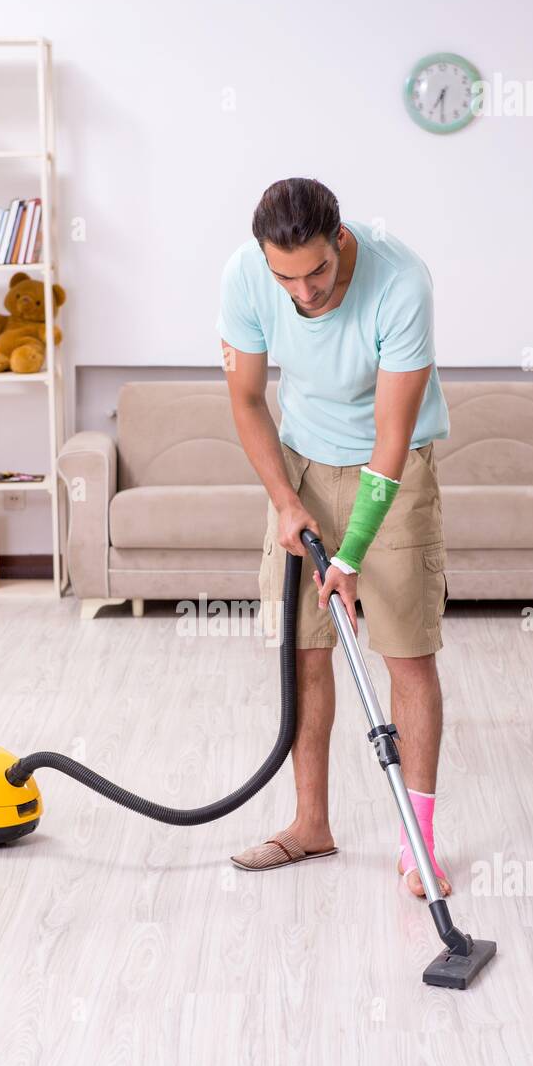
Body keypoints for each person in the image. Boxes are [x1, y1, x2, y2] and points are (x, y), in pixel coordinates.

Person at [217, 177, 451, 898]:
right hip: (300, 466)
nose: (305, 292)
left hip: (391, 471)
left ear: (340, 238)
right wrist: (286, 502)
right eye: (286, 276)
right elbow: (248, 399)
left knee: (404, 655)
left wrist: (350, 555)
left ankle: (418, 845)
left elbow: (391, 435)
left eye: (316, 271)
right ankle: (309, 825)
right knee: (305, 652)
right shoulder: (245, 277)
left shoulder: (399, 282)